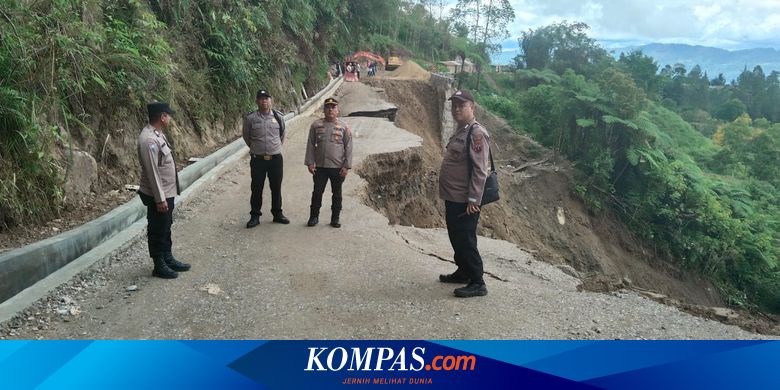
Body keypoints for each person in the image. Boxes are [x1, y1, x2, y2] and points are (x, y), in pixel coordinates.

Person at [438, 90, 490, 298]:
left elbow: (480, 170)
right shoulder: (461, 130)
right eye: (454, 105)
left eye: (462, 105)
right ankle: (463, 272)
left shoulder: (476, 133)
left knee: (466, 240)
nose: (457, 109)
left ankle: (477, 281)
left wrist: (473, 199)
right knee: (456, 237)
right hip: (453, 197)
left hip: (465, 200)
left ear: (472, 108)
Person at [137, 102, 191, 279]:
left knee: (166, 226)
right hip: (158, 194)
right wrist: (160, 199)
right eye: (168, 115)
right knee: (157, 227)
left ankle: (167, 257)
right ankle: (158, 263)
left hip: (167, 191)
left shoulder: (157, 135)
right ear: (162, 117)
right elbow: (152, 172)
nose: (170, 118)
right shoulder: (149, 140)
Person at [242, 89, 290, 228]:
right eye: (261, 98)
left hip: (275, 159)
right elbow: (246, 136)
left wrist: (273, 148)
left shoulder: (278, 117)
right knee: (256, 188)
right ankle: (255, 216)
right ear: (257, 101)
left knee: (276, 187)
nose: (264, 101)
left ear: (271, 100)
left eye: (266, 98)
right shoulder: (250, 118)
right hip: (258, 160)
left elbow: (282, 134)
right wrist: (257, 148)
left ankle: (277, 214)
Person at [304, 97, 353, 228]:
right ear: (324, 110)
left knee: (337, 194)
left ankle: (335, 218)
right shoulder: (316, 125)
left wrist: (346, 166)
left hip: (337, 168)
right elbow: (310, 144)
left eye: (333, 107)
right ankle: (314, 217)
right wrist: (310, 162)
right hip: (320, 167)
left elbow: (348, 147)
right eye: (327, 107)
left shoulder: (344, 127)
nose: (330, 109)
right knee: (317, 192)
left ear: (337, 110)